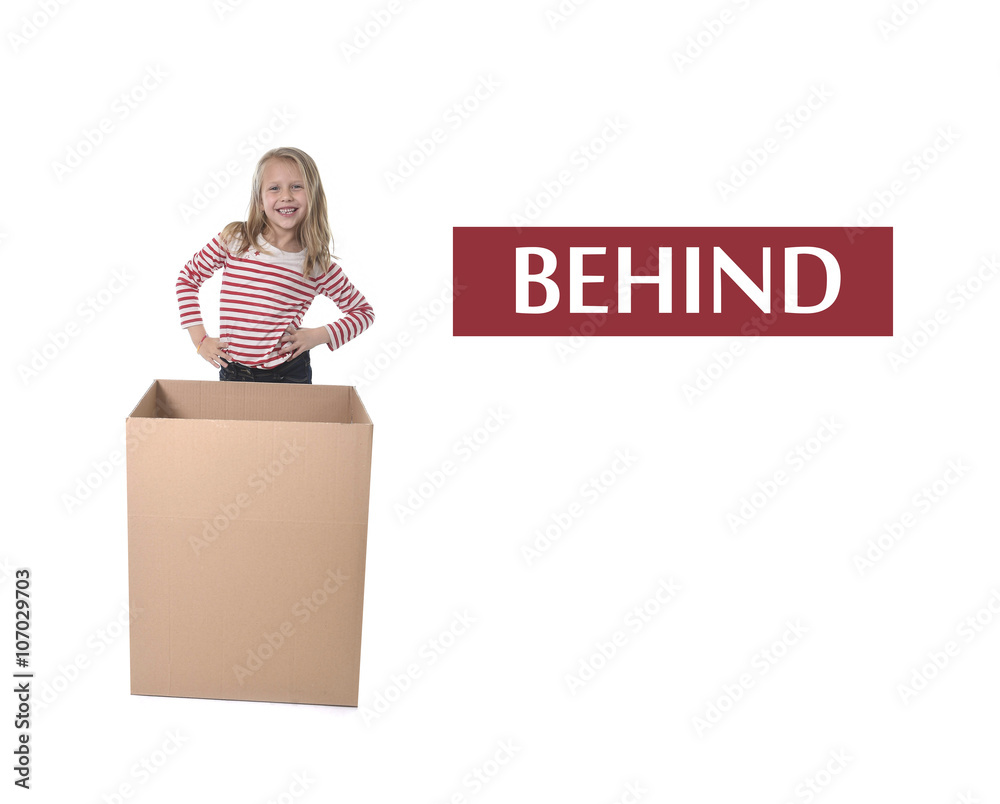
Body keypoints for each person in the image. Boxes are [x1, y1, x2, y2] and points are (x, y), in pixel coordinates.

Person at [176, 146, 374, 383]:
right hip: (233, 371)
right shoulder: (235, 239)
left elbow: (363, 313)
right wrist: (200, 340)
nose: (286, 196)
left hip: (288, 374)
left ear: (313, 196)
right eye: (274, 188)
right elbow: (187, 279)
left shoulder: (316, 263)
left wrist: (317, 336)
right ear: (260, 200)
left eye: (297, 186)